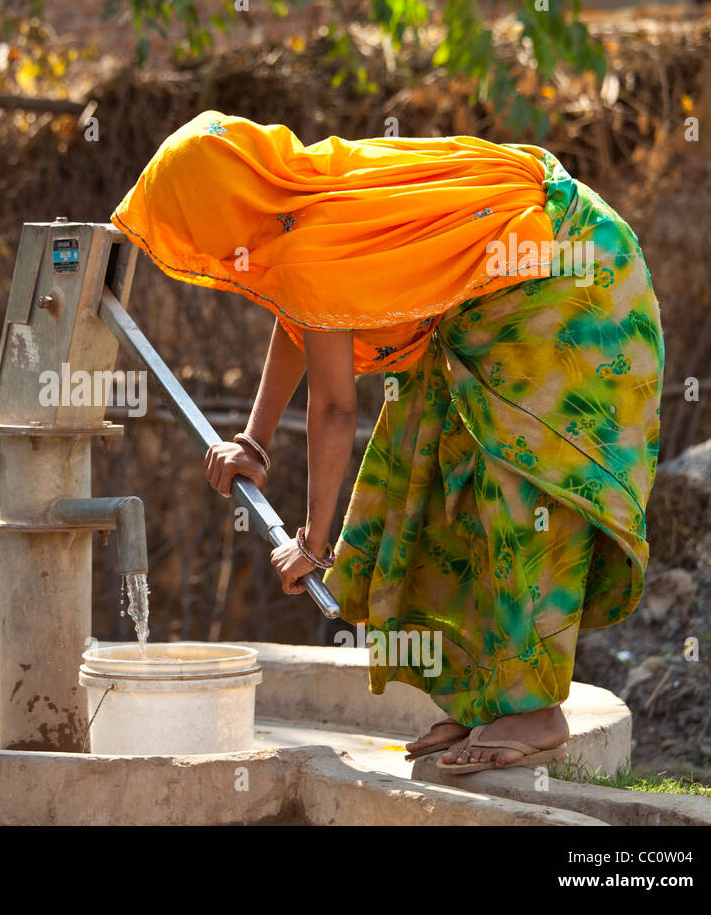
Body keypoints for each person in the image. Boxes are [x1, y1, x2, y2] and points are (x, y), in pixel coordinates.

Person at [111, 111, 664, 774]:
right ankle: (488, 694)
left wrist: (313, 545)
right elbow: (302, 318)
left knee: (518, 481)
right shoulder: (304, 191)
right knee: (433, 462)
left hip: (572, 282)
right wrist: (255, 440)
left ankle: (536, 708)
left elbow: (337, 408)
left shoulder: (316, 229)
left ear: (222, 210)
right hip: (532, 264)